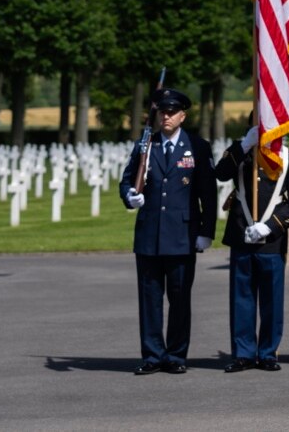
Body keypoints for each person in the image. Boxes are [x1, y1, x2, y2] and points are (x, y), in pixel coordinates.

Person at [118, 88, 217, 375]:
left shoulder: (197, 147)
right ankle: (152, 355)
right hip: (150, 234)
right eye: (163, 111)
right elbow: (126, 181)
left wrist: (205, 231)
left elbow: (207, 194)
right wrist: (130, 196)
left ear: (183, 115)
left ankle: (175, 355)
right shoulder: (145, 145)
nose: (166, 116)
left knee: (179, 298)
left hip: (183, 235)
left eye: (172, 112)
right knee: (149, 299)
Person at [214, 125, 289, 373]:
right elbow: (221, 174)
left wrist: (270, 227)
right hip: (241, 233)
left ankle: (267, 352)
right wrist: (244, 145)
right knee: (241, 297)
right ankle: (243, 353)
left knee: (271, 299)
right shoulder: (240, 152)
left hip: (271, 240)